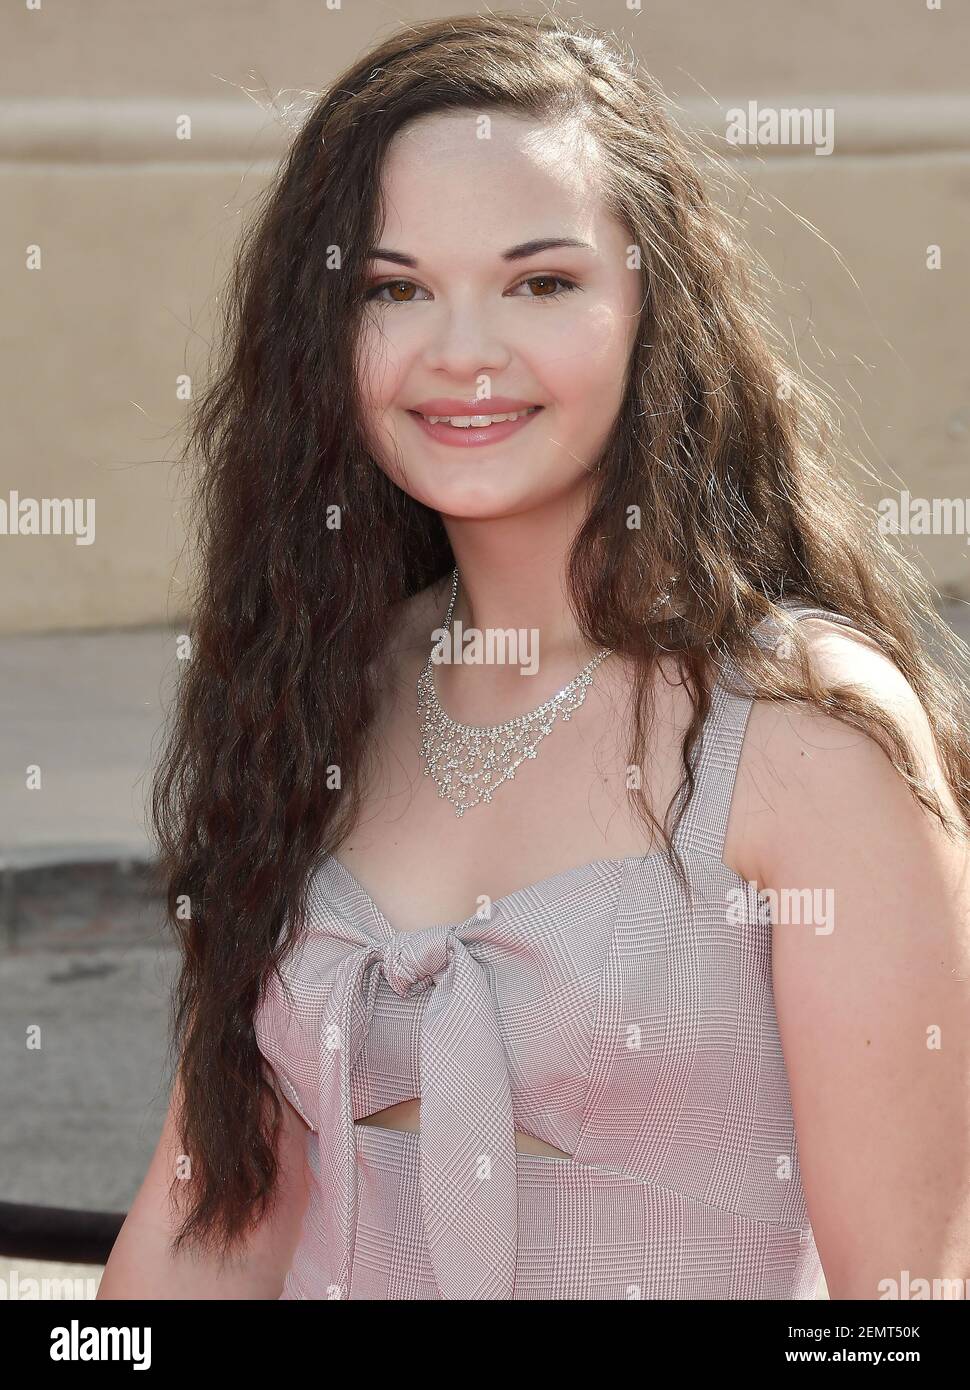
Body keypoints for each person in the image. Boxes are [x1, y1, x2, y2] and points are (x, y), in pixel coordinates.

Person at [97, 12, 970, 1300]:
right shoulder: (311, 690)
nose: (464, 352)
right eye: (393, 290)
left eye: (541, 282)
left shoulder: (803, 734)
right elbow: (208, 1232)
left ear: (650, 310)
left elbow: (907, 1308)